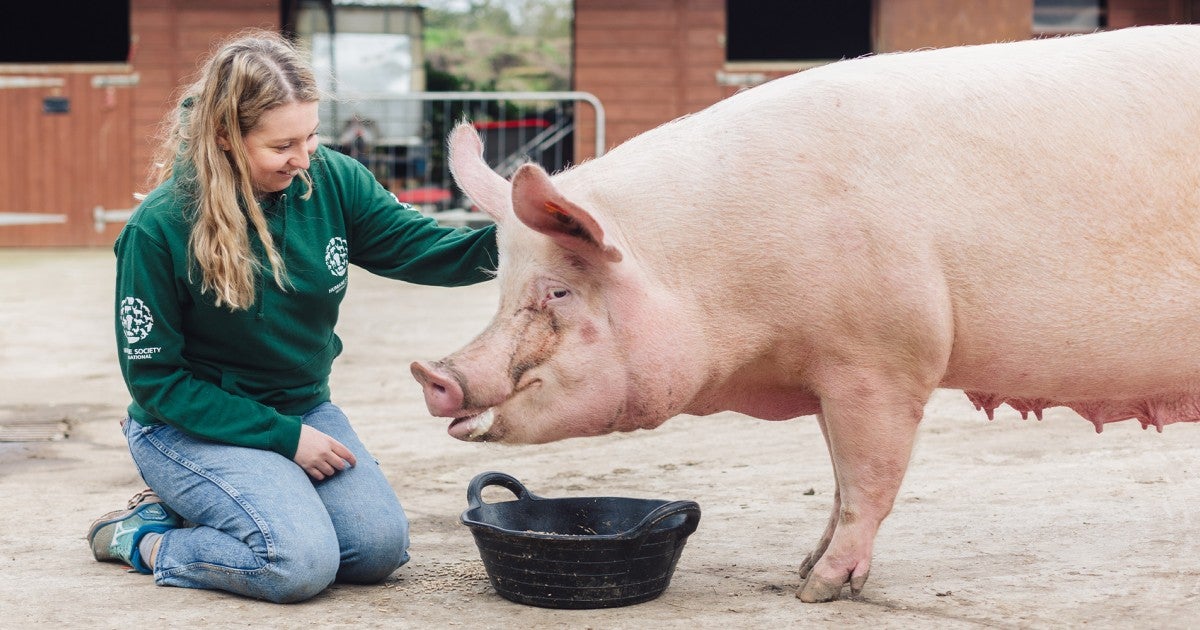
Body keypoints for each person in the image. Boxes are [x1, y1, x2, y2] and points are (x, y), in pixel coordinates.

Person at [86, 29, 498, 603]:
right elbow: (158, 383)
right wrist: (284, 440)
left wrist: (534, 238)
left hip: (301, 407)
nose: (304, 160)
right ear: (227, 136)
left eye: (311, 136)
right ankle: (146, 538)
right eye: (283, 146)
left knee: (378, 550)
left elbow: (423, 247)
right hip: (189, 426)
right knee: (297, 564)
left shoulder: (330, 178)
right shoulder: (157, 229)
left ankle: (223, 505)